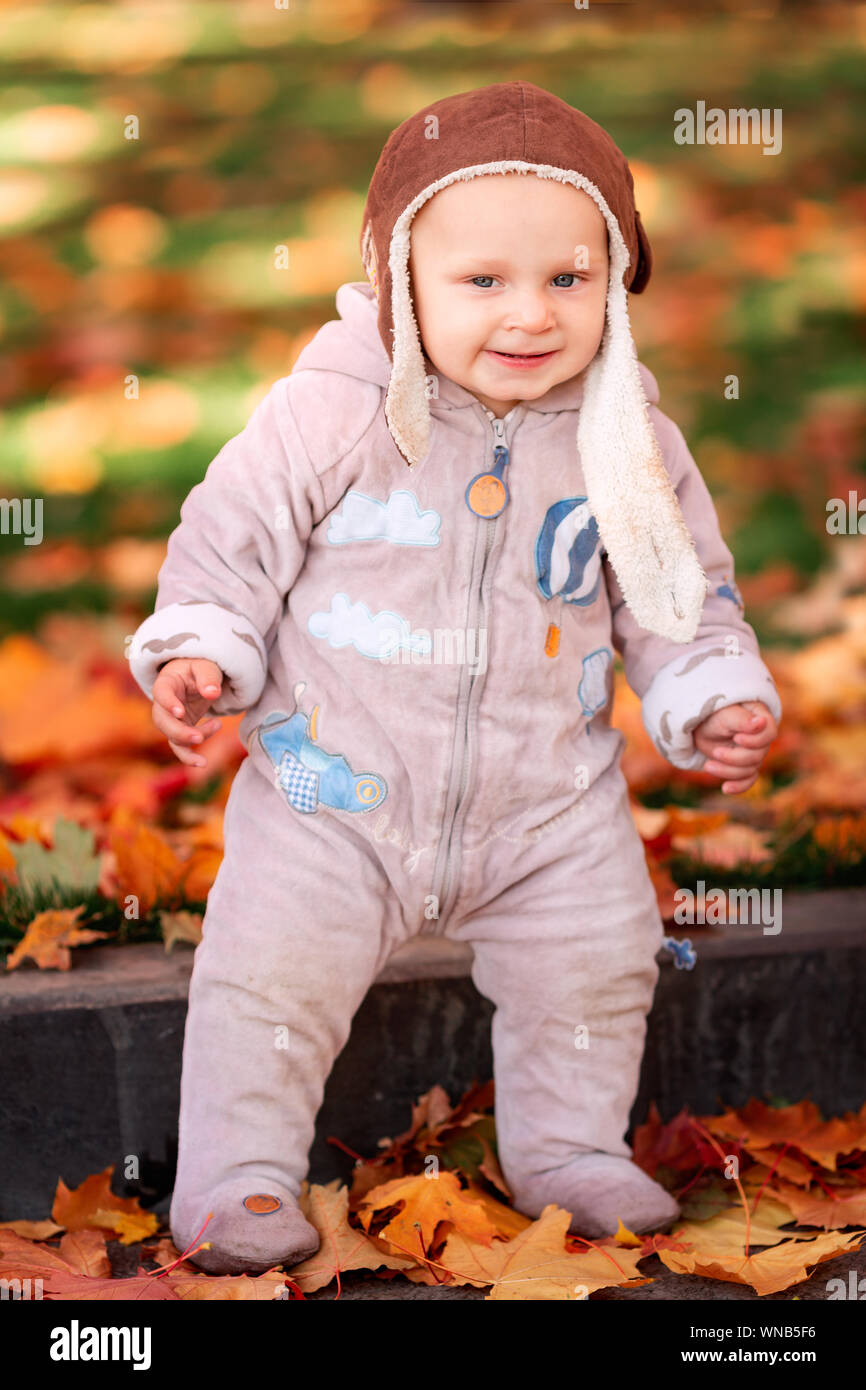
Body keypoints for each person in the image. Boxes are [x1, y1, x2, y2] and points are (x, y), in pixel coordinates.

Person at [127, 82, 781, 1275]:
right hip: (332, 795)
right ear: (397, 279)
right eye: (483, 281)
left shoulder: (623, 436)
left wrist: (708, 693)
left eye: (569, 279)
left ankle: (569, 1146)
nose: (529, 314)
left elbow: (677, 594)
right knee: (266, 976)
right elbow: (231, 540)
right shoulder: (326, 414)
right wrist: (201, 647)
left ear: (614, 282)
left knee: (596, 961)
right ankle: (239, 1176)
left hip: (547, 804)